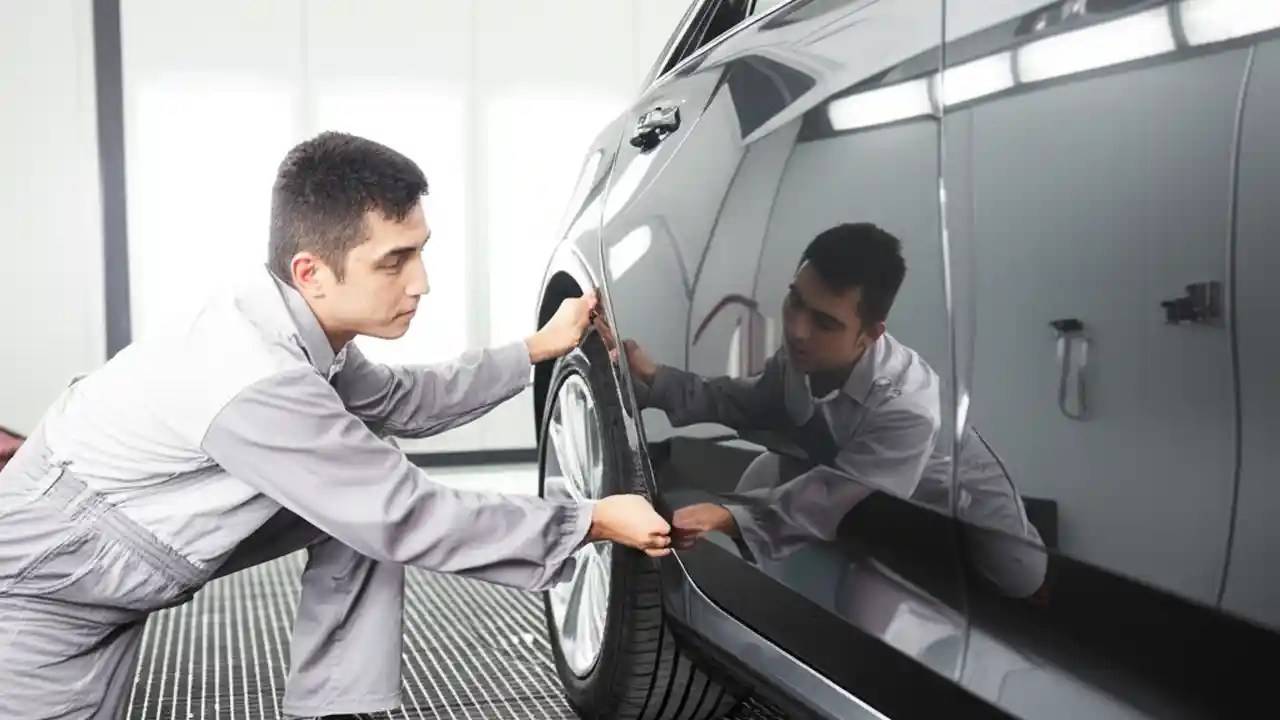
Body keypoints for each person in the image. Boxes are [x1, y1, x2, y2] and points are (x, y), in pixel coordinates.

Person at [0, 131, 671, 720]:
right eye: (394, 261)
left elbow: (402, 401)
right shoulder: (255, 377)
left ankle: (335, 708)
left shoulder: (297, 329)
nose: (421, 283)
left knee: (363, 467)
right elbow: (405, 515)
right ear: (310, 272)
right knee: (372, 497)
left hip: (124, 563)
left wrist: (534, 348)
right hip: (44, 592)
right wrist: (589, 522)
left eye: (420, 252)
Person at [605, 222, 1046, 598]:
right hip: (861, 476)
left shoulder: (907, 408)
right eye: (796, 301)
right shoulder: (805, 353)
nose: (797, 330)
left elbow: (834, 492)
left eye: (825, 322)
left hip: (957, 492)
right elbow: (745, 401)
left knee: (1022, 575)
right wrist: (658, 381)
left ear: (869, 334)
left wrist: (733, 517)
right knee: (768, 473)